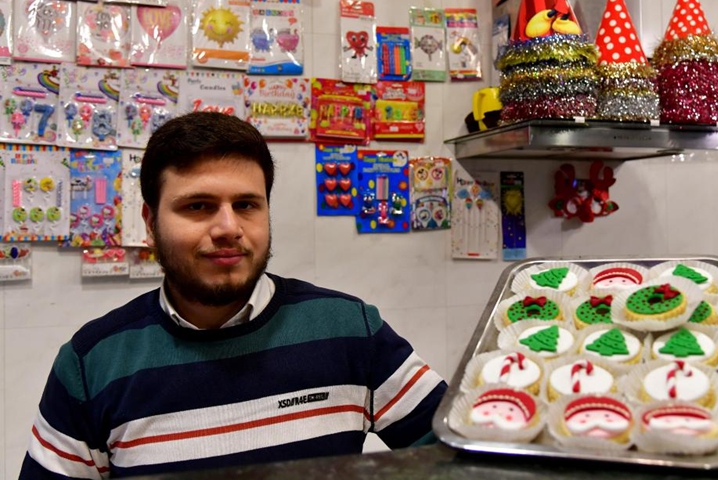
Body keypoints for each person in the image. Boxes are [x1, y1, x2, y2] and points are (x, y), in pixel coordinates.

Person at [20, 112, 447, 478]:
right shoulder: (91, 364)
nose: (229, 228)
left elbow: (458, 452)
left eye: (246, 205)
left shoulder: (351, 329)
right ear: (150, 224)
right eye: (198, 206)